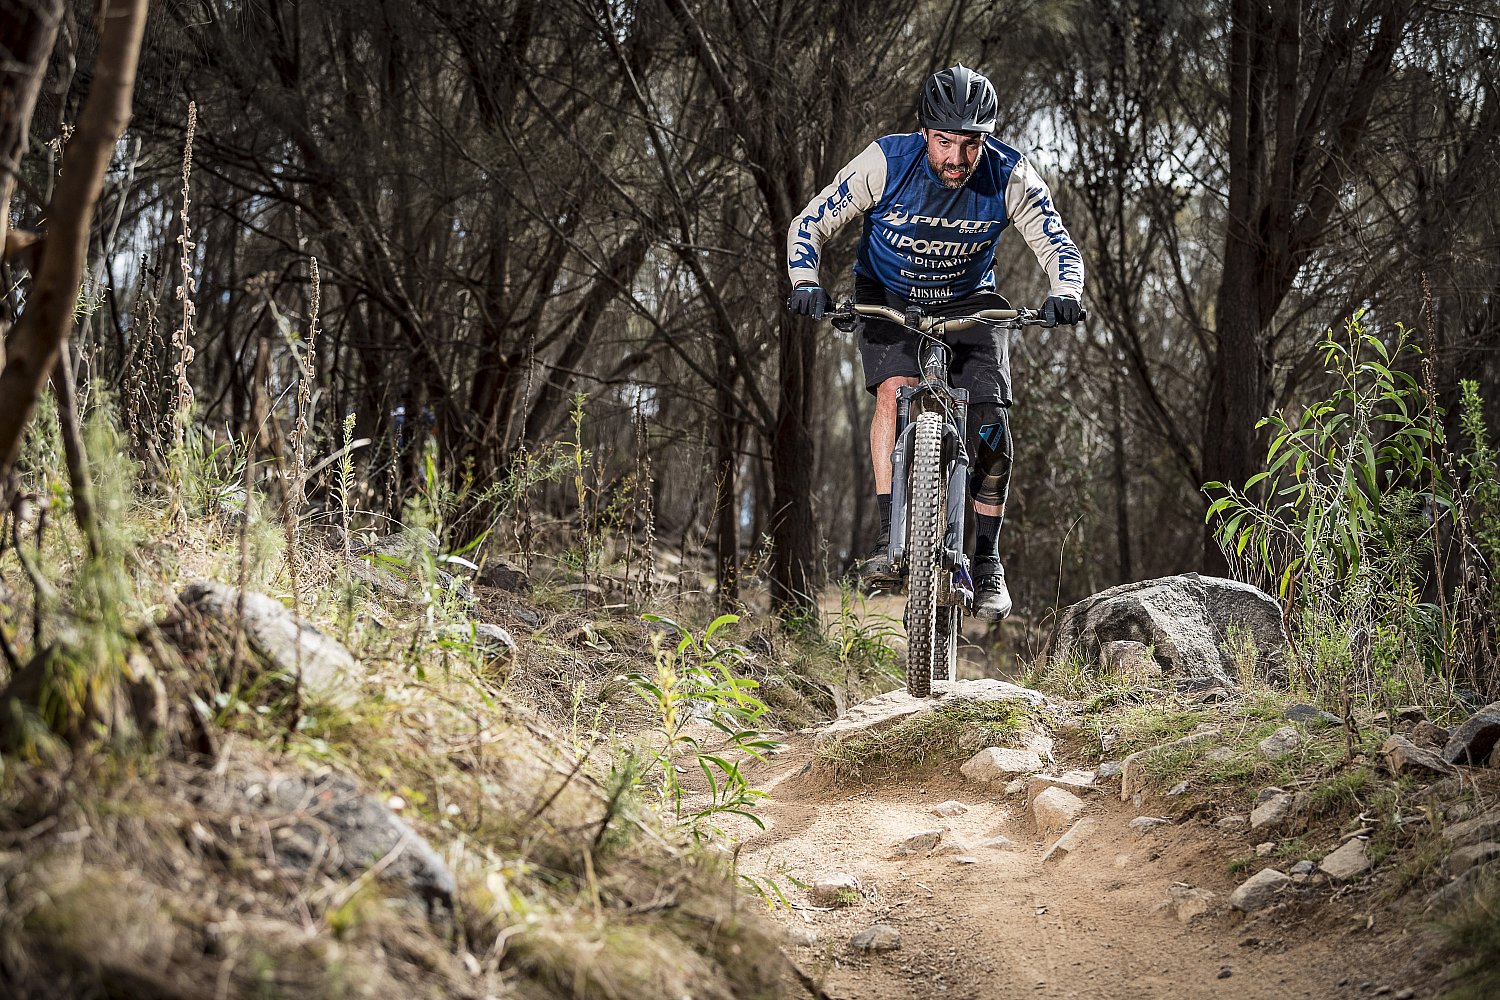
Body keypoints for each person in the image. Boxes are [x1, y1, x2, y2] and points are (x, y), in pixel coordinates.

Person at [785, 64, 1085, 622]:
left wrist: (1065, 289)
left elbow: (1057, 242)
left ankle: (987, 557)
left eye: (970, 143)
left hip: (971, 301)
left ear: (986, 138)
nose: (956, 157)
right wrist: (805, 282)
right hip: (887, 295)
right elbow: (809, 223)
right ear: (925, 132)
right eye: (944, 141)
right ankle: (887, 536)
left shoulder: (1009, 174)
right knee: (893, 393)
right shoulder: (885, 162)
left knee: (991, 420)